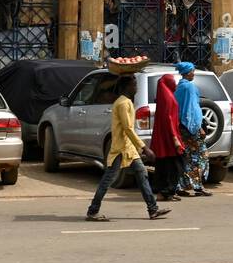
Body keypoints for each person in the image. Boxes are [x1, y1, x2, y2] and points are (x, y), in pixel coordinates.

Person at [85, 75, 170, 222]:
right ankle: (93, 211)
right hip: (120, 149)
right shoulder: (123, 103)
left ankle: (153, 209)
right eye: (134, 84)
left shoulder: (126, 102)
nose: (136, 88)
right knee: (108, 180)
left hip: (128, 148)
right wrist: (144, 148)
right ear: (127, 87)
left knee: (142, 173)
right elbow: (128, 129)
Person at [174, 61, 212, 197]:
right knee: (202, 156)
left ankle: (181, 185)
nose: (193, 73)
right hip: (191, 128)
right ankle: (197, 186)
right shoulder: (189, 87)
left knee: (187, 157)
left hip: (181, 127)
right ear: (187, 72)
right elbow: (192, 109)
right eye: (192, 71)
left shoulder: (179, 87)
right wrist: (198, 127)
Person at [151, 73, 185, 202]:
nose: (175, 84)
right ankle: (167, 191)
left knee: (163, 164)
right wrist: (175, 138)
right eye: (172, 81)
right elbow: (169, 119)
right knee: (177, 165)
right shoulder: (168, 98)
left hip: (164, 137)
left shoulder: (164, 96)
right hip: (169, 137)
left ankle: (164, 192)